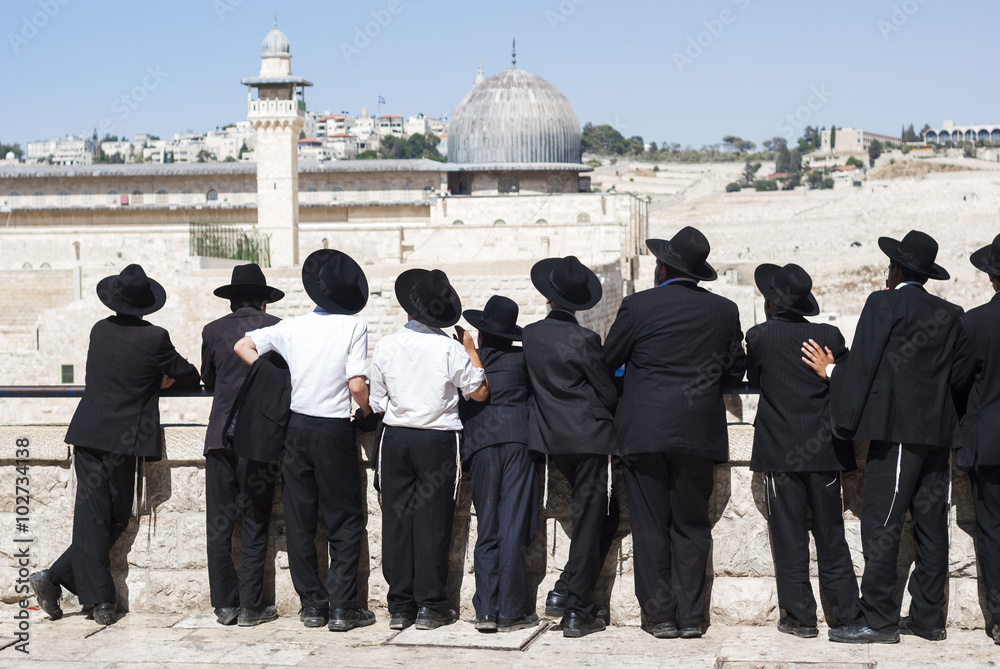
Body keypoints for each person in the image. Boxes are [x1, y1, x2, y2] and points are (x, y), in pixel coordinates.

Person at [803, 230, 971, 644]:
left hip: (897, 435)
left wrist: (831, 372)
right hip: (938, 434)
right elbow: (961, 375)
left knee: (882, 525)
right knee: (932, 527)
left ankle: (878, 621)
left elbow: (863, 364)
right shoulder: (952, 313)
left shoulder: (884, 303)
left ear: (897, 268)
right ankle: (929, 619)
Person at [30, 264, 200, 626]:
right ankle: (101, 601)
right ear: (146, 304)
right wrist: (161, 379)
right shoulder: (156, 338)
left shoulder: (99, 330)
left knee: (95, 517)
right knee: (117, 516)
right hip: (125, 439)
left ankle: (55, 577)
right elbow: (191, 375)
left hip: (89, 432)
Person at [603, 227, 745, 639]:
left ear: (662, 268)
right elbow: (734, 370)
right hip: (698, 433)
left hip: (644, 430)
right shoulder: (725, 310)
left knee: (649, 524)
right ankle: (690, 618)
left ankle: (660, 617)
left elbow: (607, 360)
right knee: (691, 525)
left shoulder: (637, 306)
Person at [234, 249, 375, 633]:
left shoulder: (291, 327)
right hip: (333, 431)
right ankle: (345, 608)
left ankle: (313, 605)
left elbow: (242, 345)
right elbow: (357, 385)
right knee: (344, 521)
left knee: (300, 521)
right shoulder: (354, 327)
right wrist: (364, 409)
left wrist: (277, 378)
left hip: (295, 431)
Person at [369, 268, 489, 631]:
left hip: (395, 438)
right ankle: (430, 605)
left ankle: (400, 606)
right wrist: (471, 350)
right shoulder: (450, 348)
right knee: (434, 522)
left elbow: (376, 402)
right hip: (438, 439)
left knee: (397, 522)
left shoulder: (387, 344)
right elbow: (479, 392)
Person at [746, 263, 860, 638]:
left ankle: (800, 619)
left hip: (780, 452)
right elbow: (848, 377)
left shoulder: (760, 336)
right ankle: (845, 616)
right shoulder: (829, 335)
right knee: (831, 535)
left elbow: (756, 378)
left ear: (770, 302)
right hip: (824, 452)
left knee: (789, 536)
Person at [522, 255, 619, 639]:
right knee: (594, 518)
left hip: (553, 441)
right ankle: (577, 609)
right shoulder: (585, 340)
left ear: (549, 296)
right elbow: (607, 391)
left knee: (596, 518)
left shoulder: (529, 335)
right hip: (591, 439)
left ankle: (565, 591)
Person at [201, 264, 283, 627]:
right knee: (255, 520)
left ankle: (224, 604)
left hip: (220, 436)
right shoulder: (278, 328)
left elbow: (208, 379)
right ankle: (251, 606)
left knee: (218, 524)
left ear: (231, 300)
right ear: (264, 301)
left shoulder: (213, 330)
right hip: (259, 438)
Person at [460, 295, 538, 633]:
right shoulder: (523, 359)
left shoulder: (470, 362)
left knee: (487, 527)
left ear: (482, 332)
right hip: (519, 442)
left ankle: (486, 611)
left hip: (481, 446)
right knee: (513, 527)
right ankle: (511, 611)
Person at [955, 234, 1000, 646]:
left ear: (992, 276)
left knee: (992, 528)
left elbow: (958, 380)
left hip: (991, 445)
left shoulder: (976, 322)